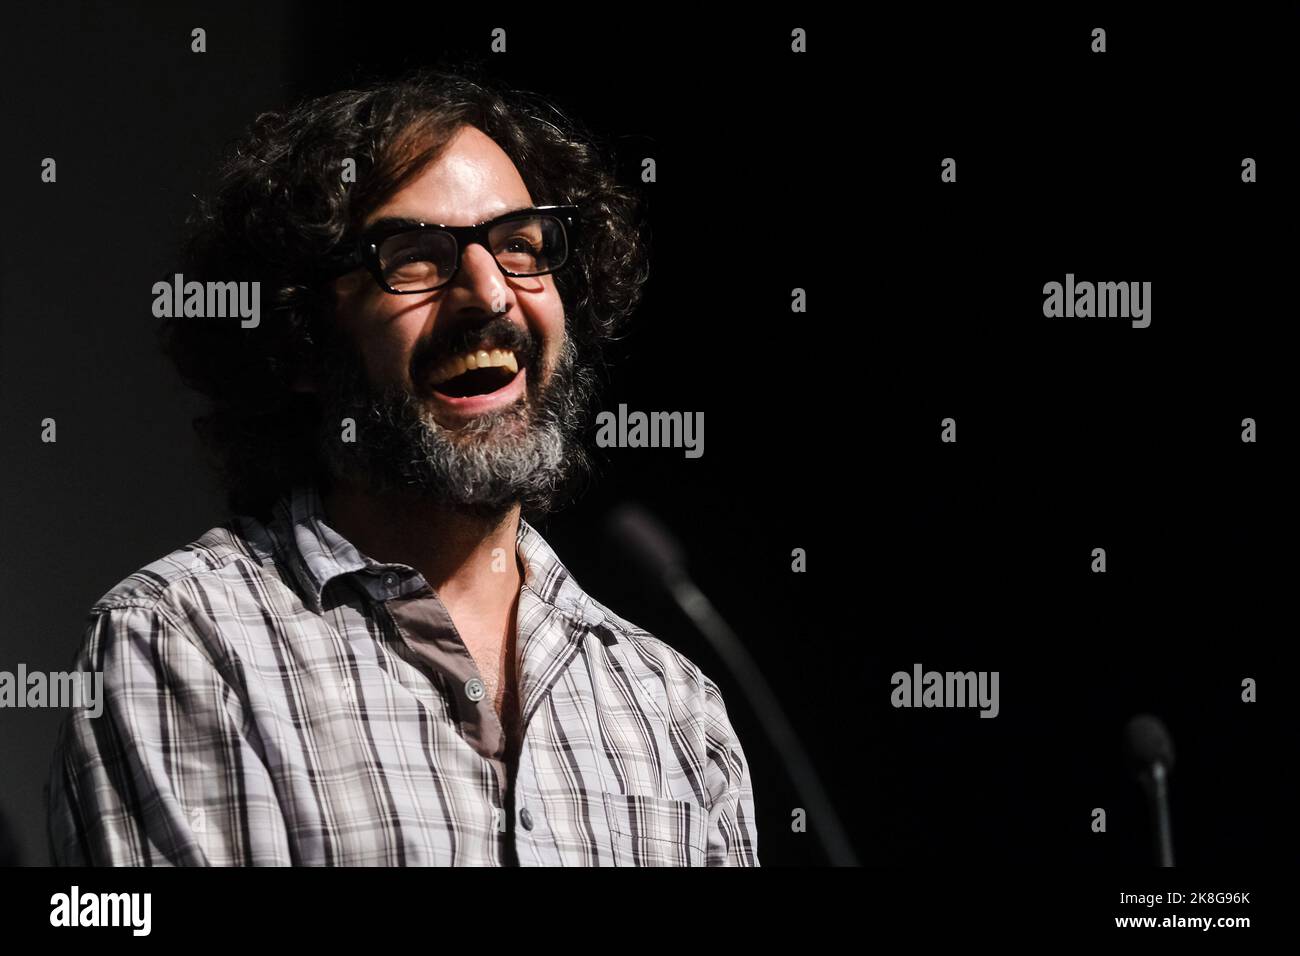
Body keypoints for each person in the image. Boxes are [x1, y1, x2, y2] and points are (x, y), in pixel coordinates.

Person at [46, 68, 759, 866]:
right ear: (303, 339)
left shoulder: (675, 710)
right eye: (416, 258)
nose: (490, 294)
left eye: (522, 245)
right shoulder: (179, 649)